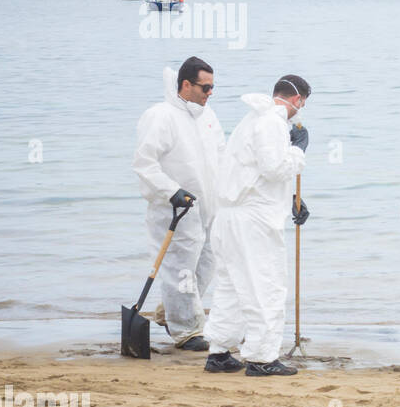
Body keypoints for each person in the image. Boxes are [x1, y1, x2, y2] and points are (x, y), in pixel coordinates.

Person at [201, 76, 312, 376]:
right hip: (252, 221)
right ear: (298, 100)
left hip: (230, 215)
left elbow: (253, 172)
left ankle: (219, 352)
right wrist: (299, 150)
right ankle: (262, 358)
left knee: (231, 286)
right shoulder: (272, 123)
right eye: (303, 105)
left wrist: (292, 199)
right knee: (266, 285)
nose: (300, 111)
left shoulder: (251, 120)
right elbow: (275, 168)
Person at [132, 57, 225, 351]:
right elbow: (144, 163)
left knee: (207, 264)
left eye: (212, 87)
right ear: (186, 85)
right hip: (175, 209)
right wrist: (171, 191)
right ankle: (186, 331)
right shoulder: (160, 116)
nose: (210, 93)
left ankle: (168, 311)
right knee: (180, 269)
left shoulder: (208, 117)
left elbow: (222, 157)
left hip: (209, 207)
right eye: (205, 87)